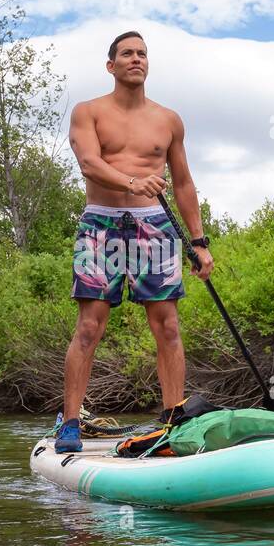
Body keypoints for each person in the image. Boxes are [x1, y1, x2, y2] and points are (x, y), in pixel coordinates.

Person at [55, 30, 213, 452]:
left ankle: (172, 422)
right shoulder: (88, 112)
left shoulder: (168, 119)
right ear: (111, 65)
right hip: (100, 225)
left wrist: (199, 241)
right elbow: (89, 163)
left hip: (155, 227)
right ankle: (70, 422)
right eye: (126, 53)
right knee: (90, 326)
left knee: (168, 326)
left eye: (142, 53)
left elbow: (183, 183)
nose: (136, 59)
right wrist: (131, 180)